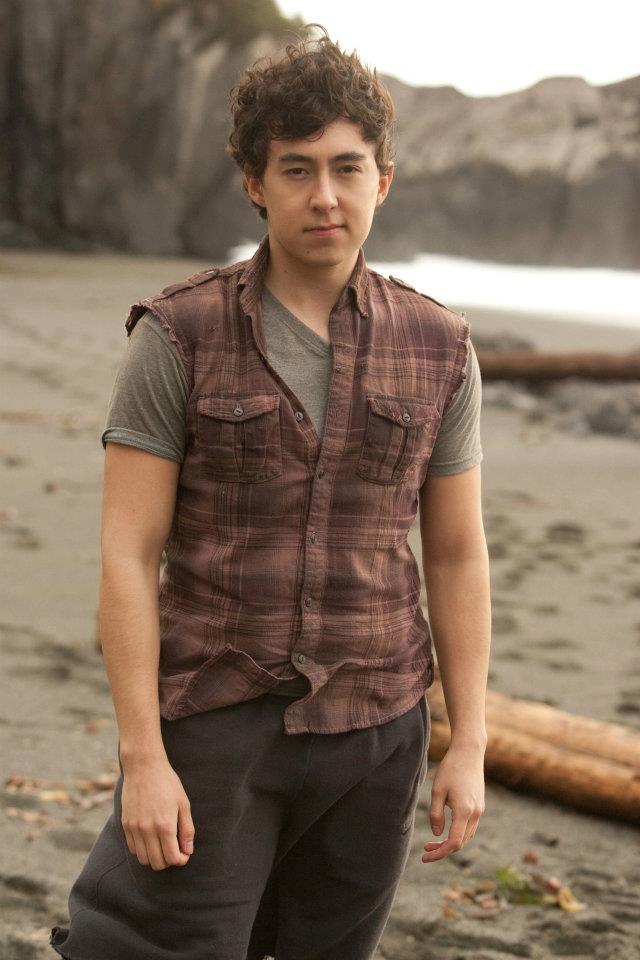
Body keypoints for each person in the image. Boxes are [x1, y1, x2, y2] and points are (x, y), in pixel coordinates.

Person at [50, 24, 490, 960]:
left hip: (378, 730)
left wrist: (470, 741)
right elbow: (128, 555)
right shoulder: (178, 335)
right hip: (217, 722)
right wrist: (142, 757)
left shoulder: (441, 347)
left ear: (383, 180)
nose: (325, 195)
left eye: (347, 167)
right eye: (297, 169)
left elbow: (455, 554)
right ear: (255, 183)